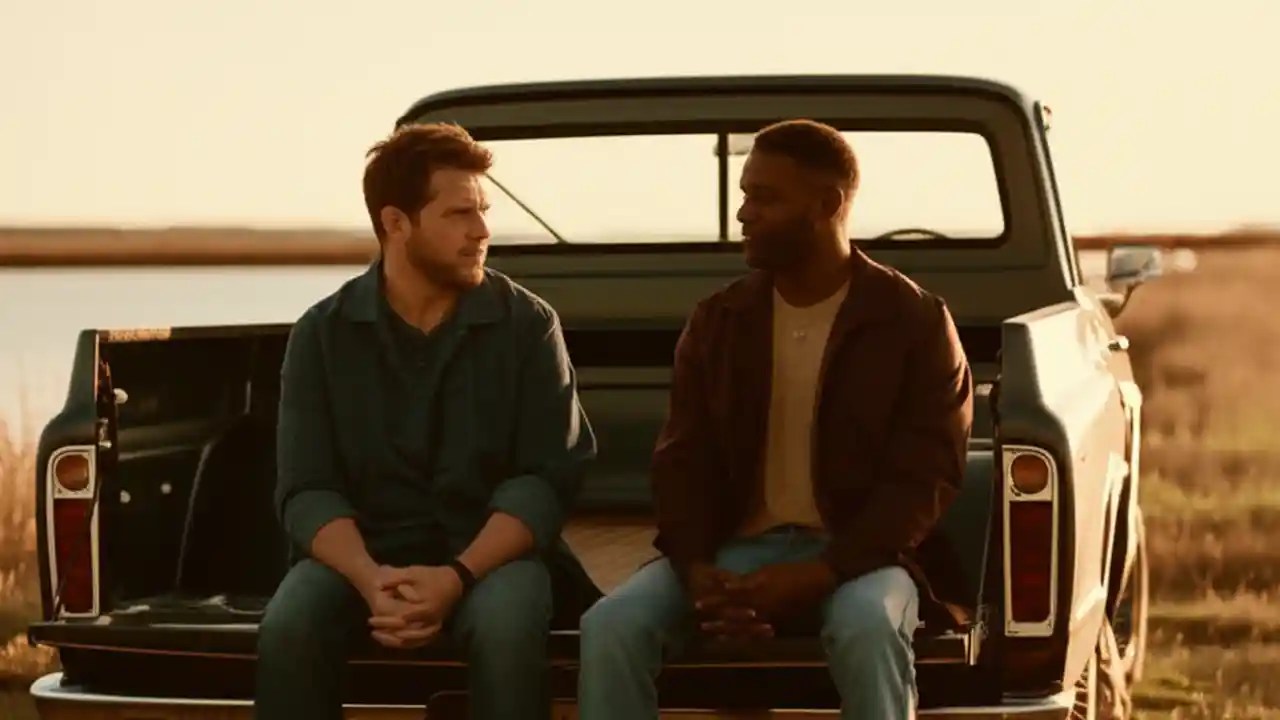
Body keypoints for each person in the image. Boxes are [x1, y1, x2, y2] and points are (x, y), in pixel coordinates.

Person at [577, 119, 974, 720]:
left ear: (828, 204)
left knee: (868, 627)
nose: (743, 213)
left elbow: (923, 482)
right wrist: (698, 570)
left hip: (862, 561)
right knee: (611, 626)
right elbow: (681, 461)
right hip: (733, 558)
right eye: (744, 194)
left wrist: (821, 572)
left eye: (763, 197)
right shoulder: (720, 321)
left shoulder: (912, 322)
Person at [254, 122, 596, 720]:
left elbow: (546, 481)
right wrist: (369, 580)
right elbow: (307, 488)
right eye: (460, 213)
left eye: (483, 210)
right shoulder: (323, 333)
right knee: (291, 620)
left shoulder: (527, 325)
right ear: (395, 223)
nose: (483, 230)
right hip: (362, 562)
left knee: (509, 624)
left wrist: (456, 577)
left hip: (491, 562)